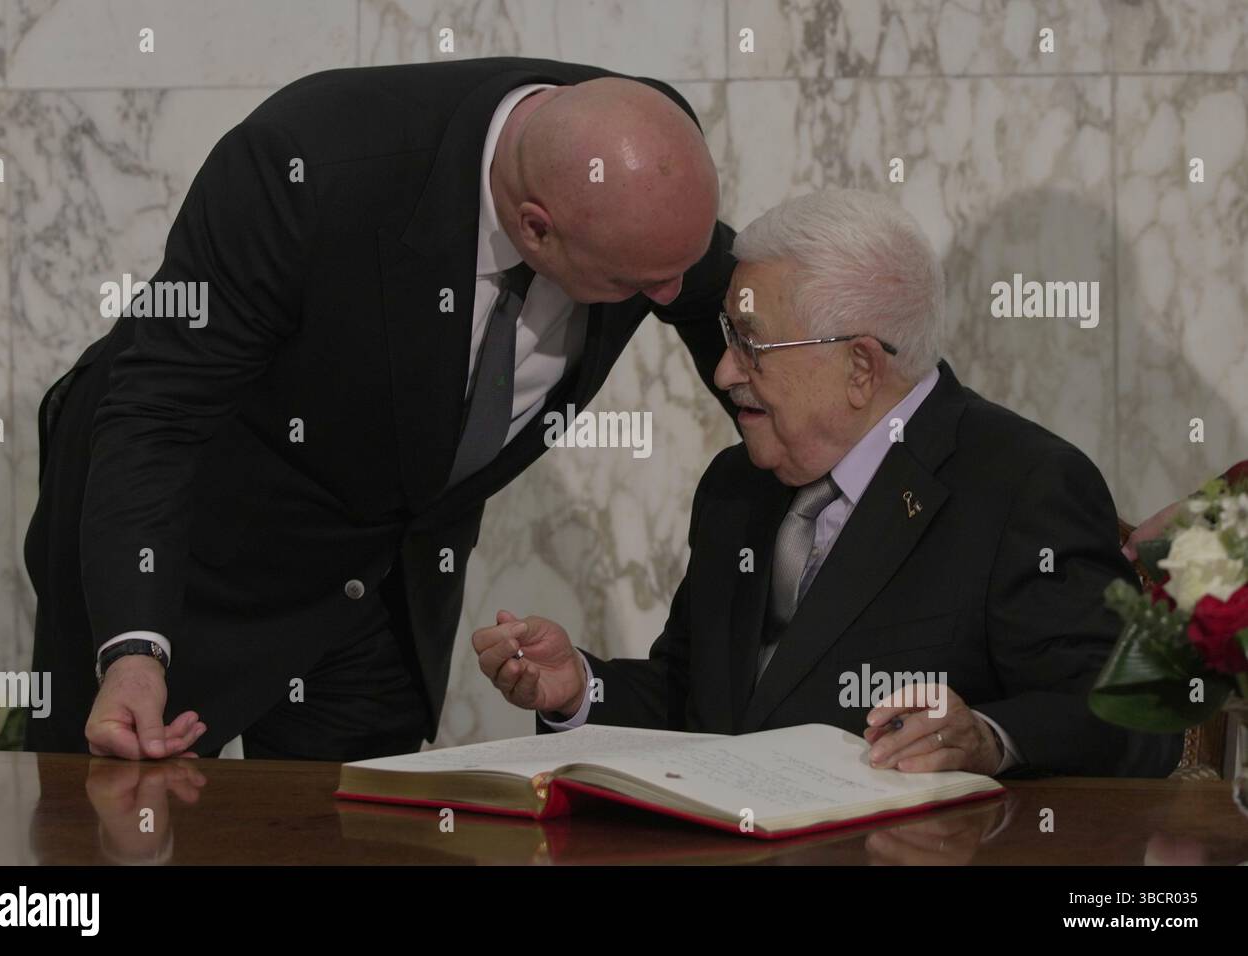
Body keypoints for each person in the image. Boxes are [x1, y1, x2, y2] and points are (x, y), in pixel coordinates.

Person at [24, 57, 738, 761]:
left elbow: (729, 307)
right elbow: (159, 415)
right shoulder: (302, 167)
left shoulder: (642, 166)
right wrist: (133, 653)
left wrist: (836, 485)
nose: (674, 295)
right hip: (195, 555)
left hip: (386, 581)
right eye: (637, 284)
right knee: (117, 825)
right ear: (536, 228)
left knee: (356, 835)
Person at [473, 188, 1183, 777]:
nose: (722, 370)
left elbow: (1130, 714)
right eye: (726, 336)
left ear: (861, 367)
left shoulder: (1023, 485)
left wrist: (988, 738)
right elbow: (702, 706)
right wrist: (579, 691)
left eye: (750, 343)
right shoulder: (735, 489)